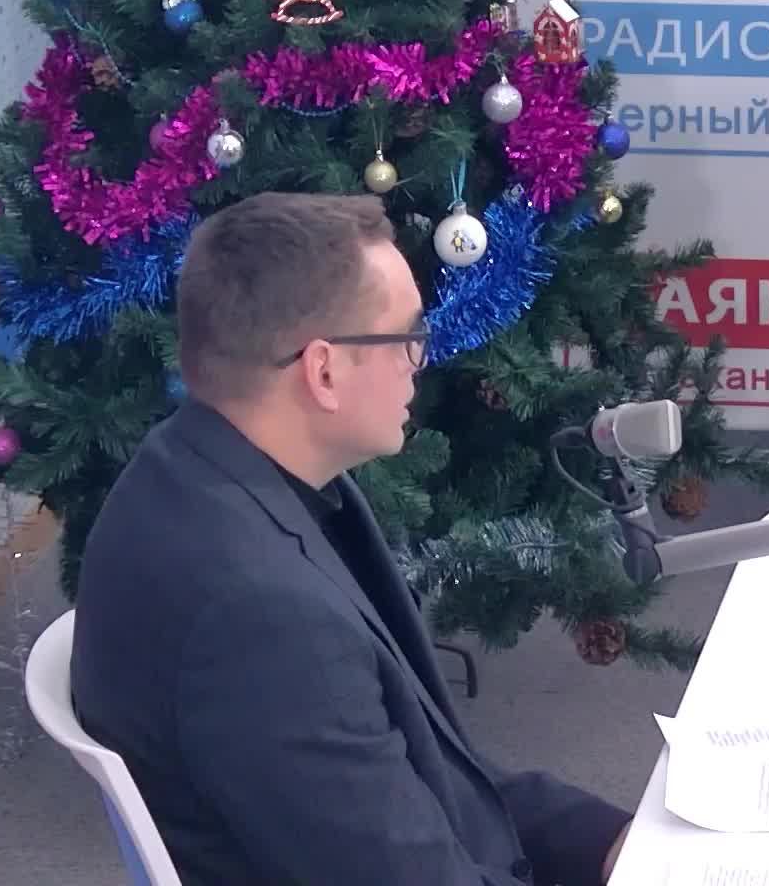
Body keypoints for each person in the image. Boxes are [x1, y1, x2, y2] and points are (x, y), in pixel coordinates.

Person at [70, 193, 630, 885]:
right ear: (324, 371)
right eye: (407, 337)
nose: (420, 360)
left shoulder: (204, 467)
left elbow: (437, 774)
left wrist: (618, 843)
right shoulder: (261, 618)